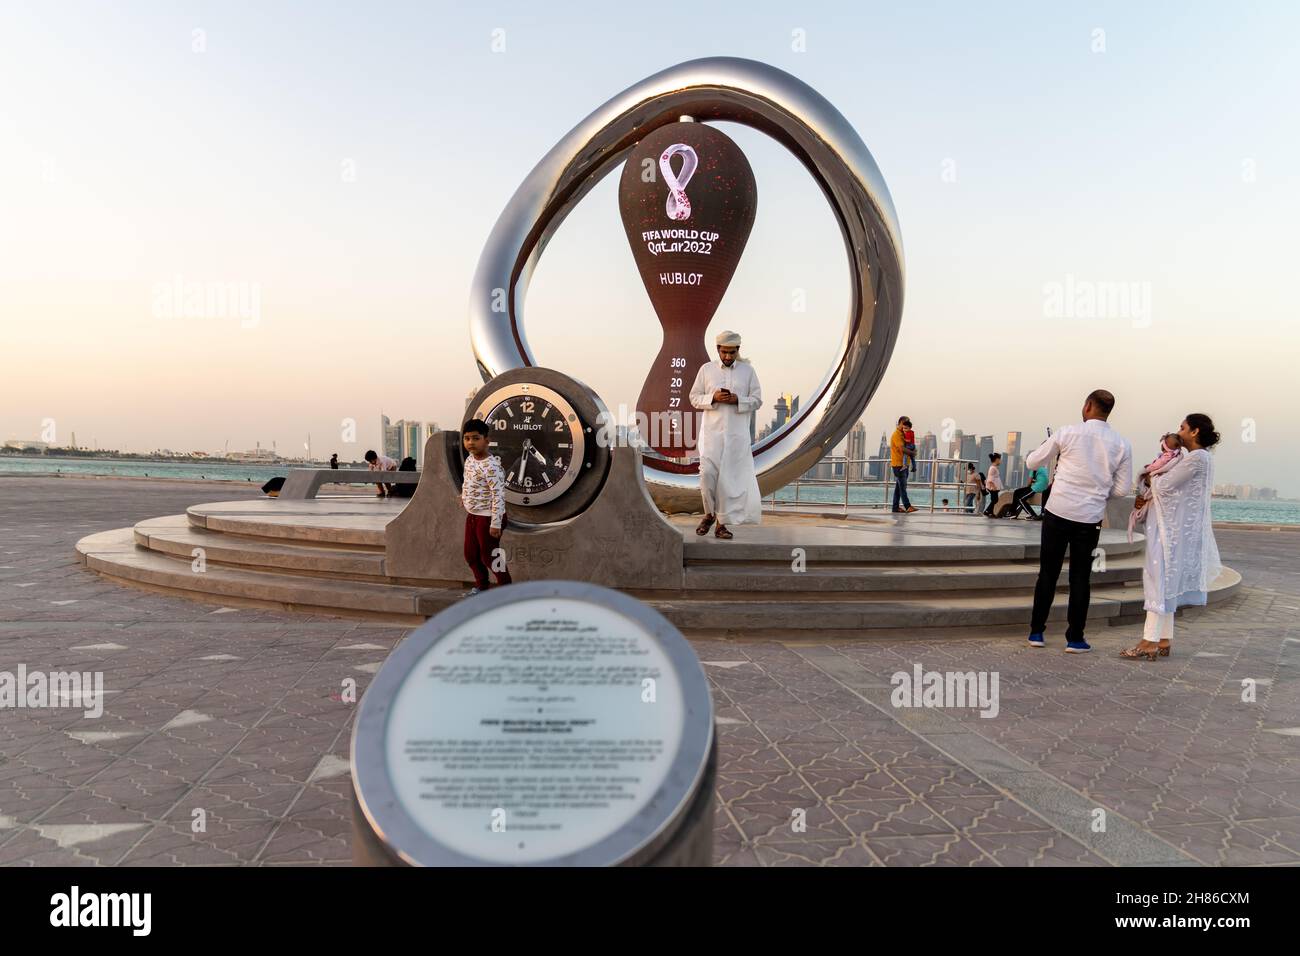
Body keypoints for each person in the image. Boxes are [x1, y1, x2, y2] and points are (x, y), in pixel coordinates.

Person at [1025, 389, 1133, 653]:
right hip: (1090, 518)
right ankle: (1075, 638)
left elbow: (1032, 462)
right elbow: (1121, 490)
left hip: (1058, 511)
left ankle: (1037, 633)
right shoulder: (1121, 444)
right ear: (1108, 411)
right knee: (1081, 578)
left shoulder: (1067, 432)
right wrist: (1097, 490)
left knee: (1048, 573)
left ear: (1087, 406)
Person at [1121, 414, 1221, 660]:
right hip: (1178, 533)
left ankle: (1148, 642)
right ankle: (1164, 638)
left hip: (1170, 534)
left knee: (1157, 581)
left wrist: (1150, 473)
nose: (1180, 431)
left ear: (1195, 431)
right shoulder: (1201, 459)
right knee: (1165, 583)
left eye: (1183, 427)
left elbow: (1164, 487)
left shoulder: (1196, 459)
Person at [689, 330, 763, 539]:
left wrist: (738, 400)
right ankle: (709, 513)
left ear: (738, 350)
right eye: (724, 352)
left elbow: (757, 400)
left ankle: (720, 524)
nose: (728, 357)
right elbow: (693, 398)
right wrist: (713, 397)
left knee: (727, 480)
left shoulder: (748, 371)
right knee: (706, 476)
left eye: (732, 352)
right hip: (711, 435)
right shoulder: (706, 370)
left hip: (736, 436)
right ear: (718, 350)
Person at [460, 419, 512, 596]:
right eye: (467, 439)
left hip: (489, 517)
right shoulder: (469, 460)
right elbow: (468, 481)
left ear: (487, 440)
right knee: (470, 554)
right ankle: (482, 586)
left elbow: (499, 495)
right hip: (473, 515)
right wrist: (465, 497)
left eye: (475, 438)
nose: (470, 443)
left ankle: (506, 589)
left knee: (489, 556)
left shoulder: (492, 466)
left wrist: (496, 523)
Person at [1126, 433, 1183, 543]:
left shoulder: (1167, 457)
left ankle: (1132, 527)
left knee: (1141, 506)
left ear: (1164, 445)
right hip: (1154, 489)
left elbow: (1157, 467)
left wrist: (1147, 469)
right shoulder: (1176, 457)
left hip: (1154, 487)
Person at [889, 416, 918, 514]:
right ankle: (907, 506)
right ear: (900, 423)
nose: (906, 425)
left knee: (899, 487)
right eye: (905, 423)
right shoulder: (897, 434)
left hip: (904, 464)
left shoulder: (904, 434)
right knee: (902, 487)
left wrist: (913, 450)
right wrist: (912, 453)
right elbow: (901, 448)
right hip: (899, 465)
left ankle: (895, 507)